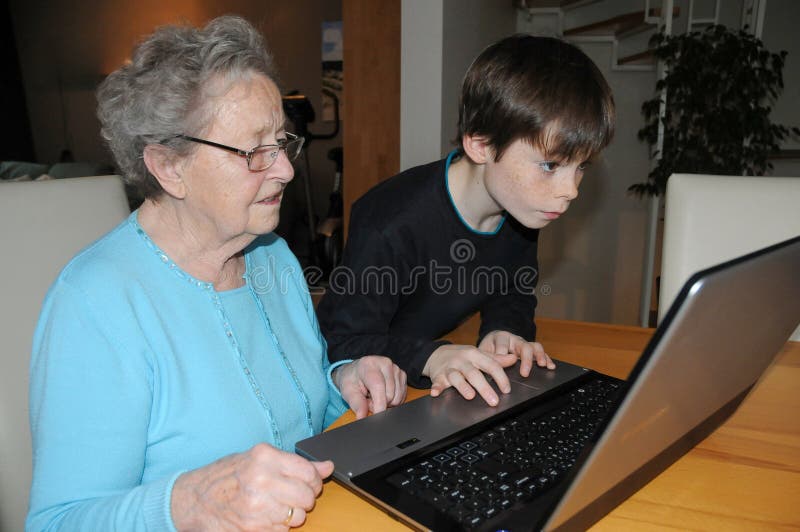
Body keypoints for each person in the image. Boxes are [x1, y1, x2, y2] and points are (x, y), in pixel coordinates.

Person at [27, 16, 407, 531]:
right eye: (255, 151)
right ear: (169, 167)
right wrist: (187, 503)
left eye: (281, 142)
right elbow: (57, 521)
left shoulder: (272, 257)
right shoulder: (95, 305)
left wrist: (345, 381)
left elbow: (297, 417)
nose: (285, 170)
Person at [317, 34, 615, 407]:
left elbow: (512, 289)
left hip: (412, 385)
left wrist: (504, 330)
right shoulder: (390, 222)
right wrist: (431, 357)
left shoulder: (520, 207)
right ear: (481, 145)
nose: (570, 191)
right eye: (551, 165)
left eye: (581, 167)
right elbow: (343, 342)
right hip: (343, 392)